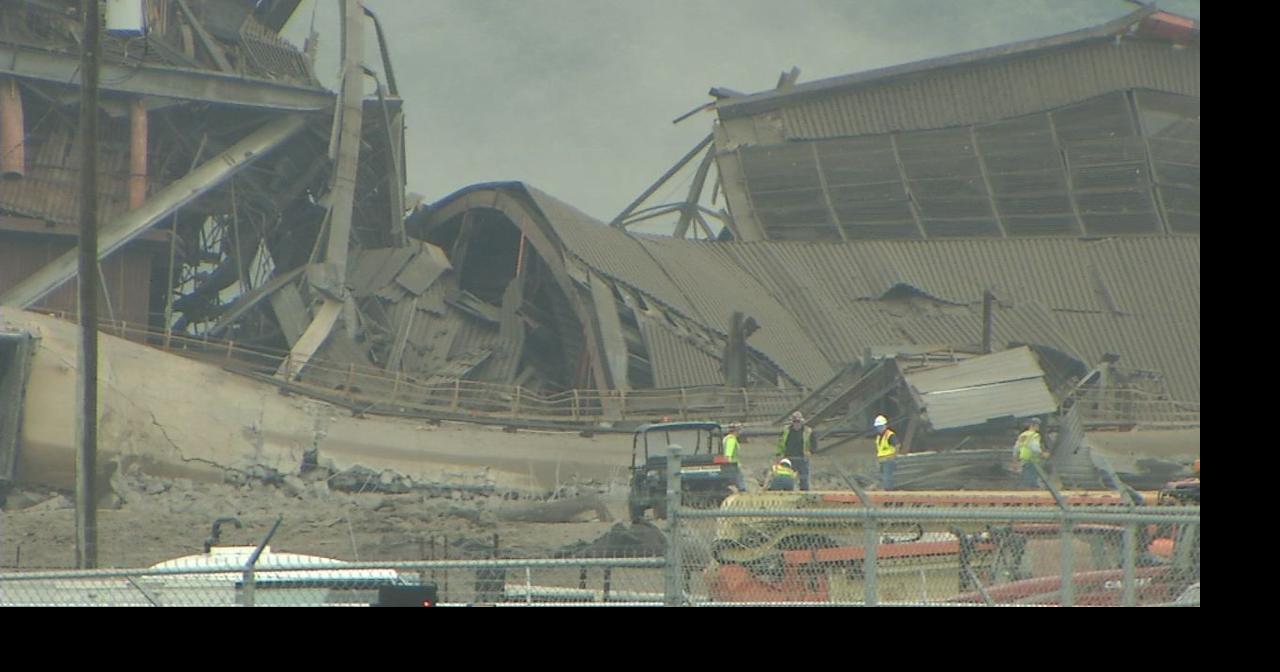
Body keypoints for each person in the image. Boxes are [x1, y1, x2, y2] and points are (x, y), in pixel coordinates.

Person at [776, 411, 816, 491]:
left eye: (798, 421)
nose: (796, 423)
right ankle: (788, 495)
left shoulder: (808, 431)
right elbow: (780, 443)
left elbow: (814, 443)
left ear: (802, 422)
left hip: (802, 458)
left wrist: (811, 452)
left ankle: (805, 496)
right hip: (789, 458)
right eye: (795, 421)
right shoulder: (786, 430)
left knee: (804, 479)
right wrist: (779, 454)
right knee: (787, 479)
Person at [1014, 418, 1048, 488]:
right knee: (1032, 480)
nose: (1038, 427)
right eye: (1037, 425)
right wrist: (1043, 454)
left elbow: (1016, 448)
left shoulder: (1023, 435)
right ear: (1033, 425)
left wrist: (1015, 460)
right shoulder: (1035, 435)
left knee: (1026, 477)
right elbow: (1035, 448)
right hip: (1033, 460)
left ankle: (1024, 491)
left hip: (1024, 460)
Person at [872, 415, 900, 491]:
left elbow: (897, 445)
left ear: (885, 425)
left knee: (888, 477)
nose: (879, 428)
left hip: (888, 460)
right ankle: (884, 490)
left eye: (881, 426)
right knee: (882, 476)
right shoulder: (879, 436)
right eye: (878, 427)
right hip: (881, 460)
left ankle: (889, 492)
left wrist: (893, 457)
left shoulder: (890, 435)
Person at [722, 422, 749, 492]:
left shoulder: (727, 438)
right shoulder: (731, 440)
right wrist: (730, 464)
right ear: (736, 430)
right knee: (741, 484)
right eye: (740, 429)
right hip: (733, 465)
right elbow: (728, 454)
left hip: (731, 465)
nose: (741, 432)